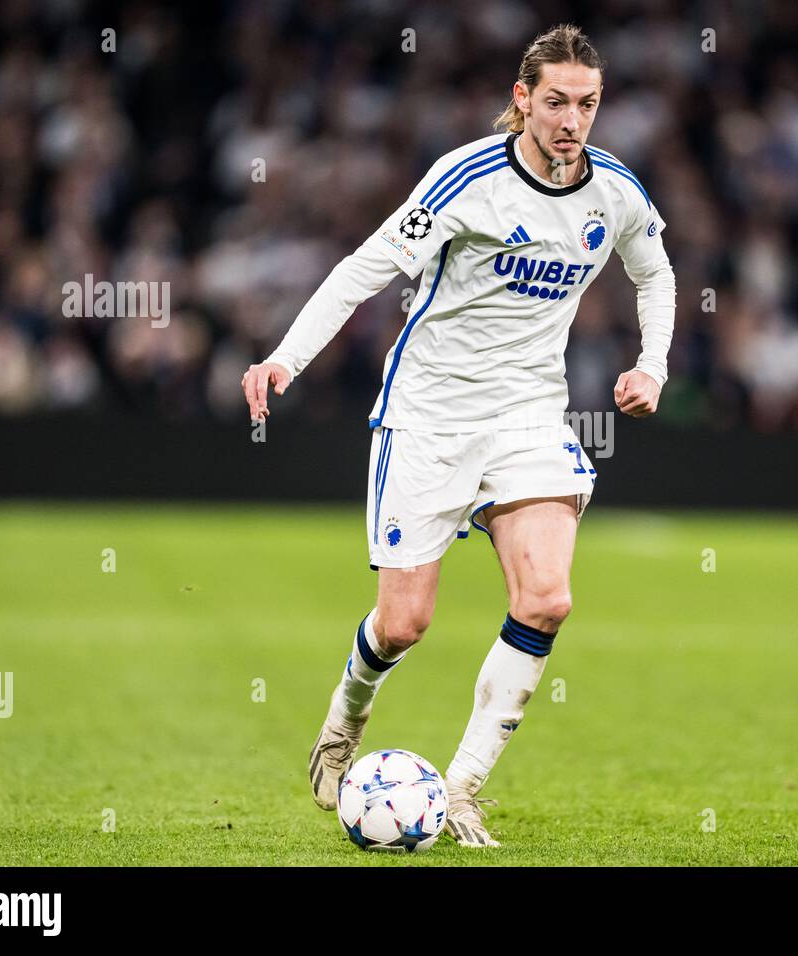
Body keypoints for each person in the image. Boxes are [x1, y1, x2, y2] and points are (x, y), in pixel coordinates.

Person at [240, 23, 675, 847]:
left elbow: (655, 272)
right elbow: (366, 266)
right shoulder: (467, 179)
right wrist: (286, 359)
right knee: (403, 623)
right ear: (523, 99)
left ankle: (465, 786)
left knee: (547, 599)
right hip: (429, 417)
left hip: (528, 417)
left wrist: (653, 363)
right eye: (555, 102)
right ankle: (342, 728)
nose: (571, 121)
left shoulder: (614, 190)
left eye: (586, 104)